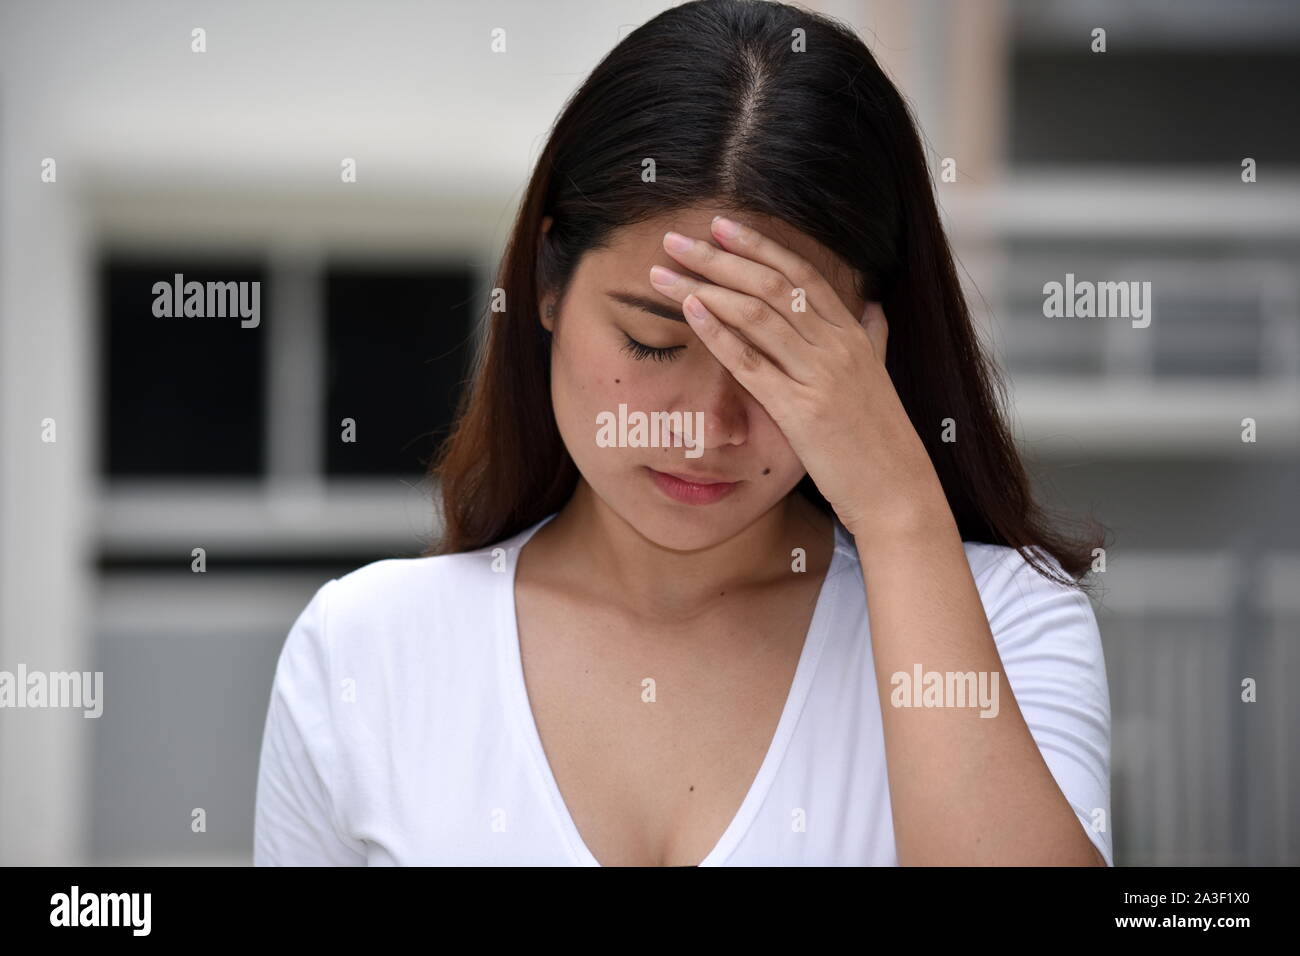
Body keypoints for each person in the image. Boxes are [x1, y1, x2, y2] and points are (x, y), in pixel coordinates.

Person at [255, 0, 1112, 867]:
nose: (706, 431)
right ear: (548, 285)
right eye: (653, 341)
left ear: (871, 344)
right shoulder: (365, 652)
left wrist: (898, 511)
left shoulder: (1002, 623)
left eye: (774, 356)